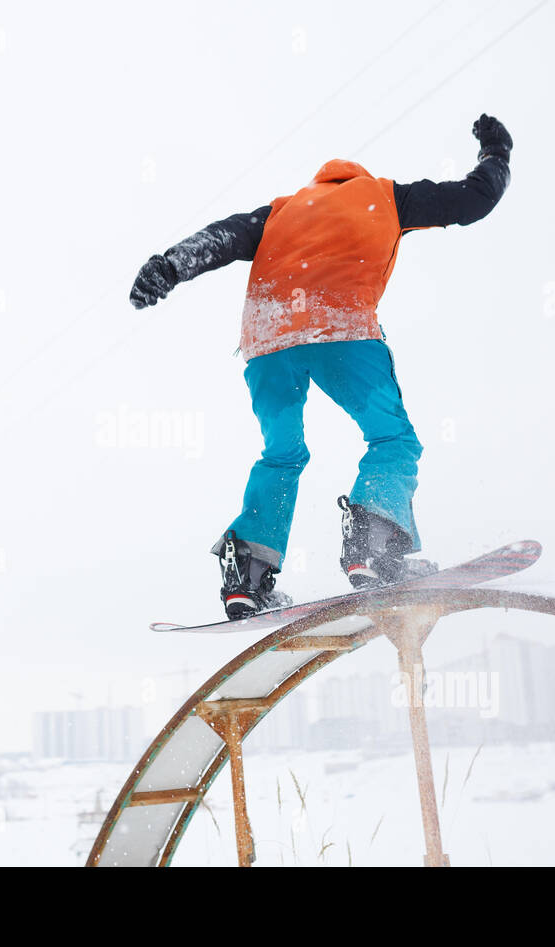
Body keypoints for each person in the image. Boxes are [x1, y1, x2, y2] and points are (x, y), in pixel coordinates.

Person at [130, 114, 513, 619]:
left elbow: (220, 238)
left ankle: (247, 574)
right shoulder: (383, 196)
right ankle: (373, 542)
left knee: (282, 455)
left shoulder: (283, 211)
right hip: (340, 327)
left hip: (267, 337)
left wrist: (169, 265)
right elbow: (473, 199)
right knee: (391, 438)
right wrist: (497, 153)